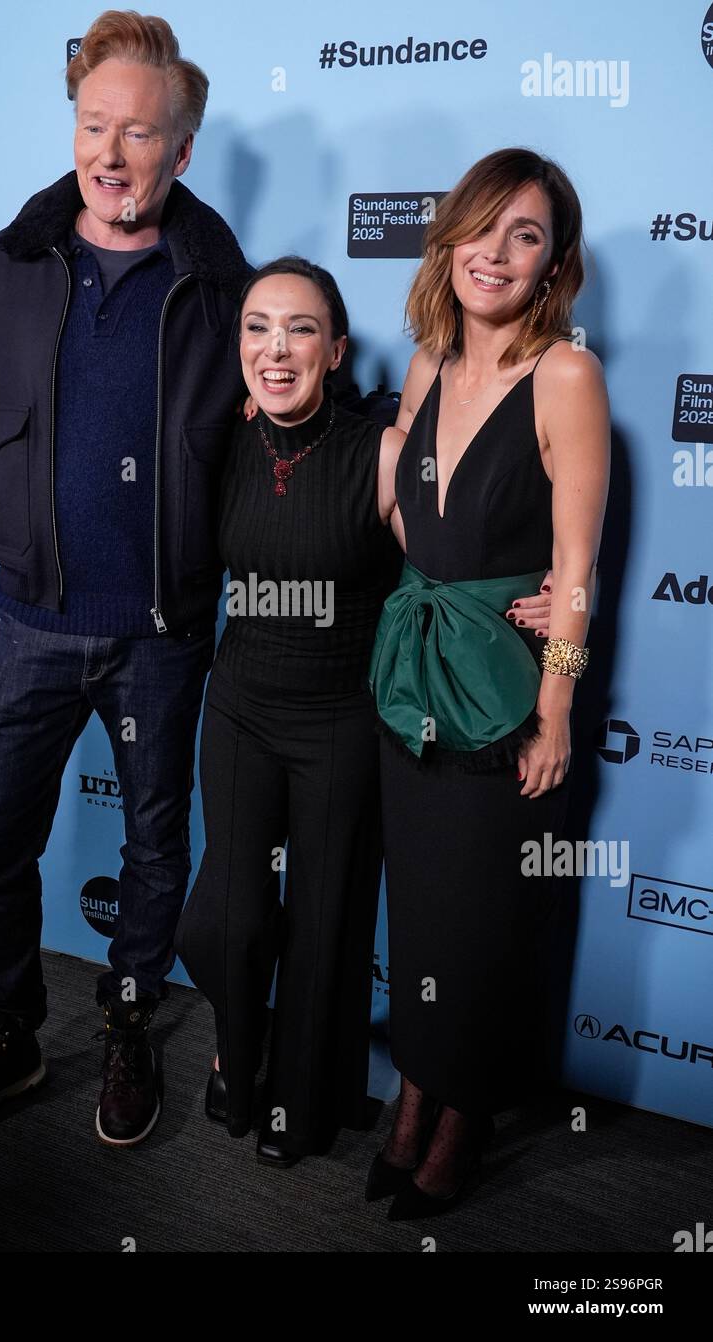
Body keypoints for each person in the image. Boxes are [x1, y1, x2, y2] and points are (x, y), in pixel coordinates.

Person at [0, 10, 250, 1146]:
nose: (110, 151)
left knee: (156, 844)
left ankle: (129, 1027)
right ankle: (6, 1039)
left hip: (160, 630)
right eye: (93, 125)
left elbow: (278, 414)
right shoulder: (7, 265)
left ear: (180, 152)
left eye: (138, 133)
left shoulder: (217, 278)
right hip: (31, 620)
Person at [173, 257, 554, 1165]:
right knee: (223, 918)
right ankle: (238, 1038)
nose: (276, 348)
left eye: (300, 328)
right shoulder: (221, 440)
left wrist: (547, 592)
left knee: (326, 923)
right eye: (258, 327)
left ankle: (303, 1108)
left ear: (335, 349)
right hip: (237, 706)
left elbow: (450, 559)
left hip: (343, 717)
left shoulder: (378, 452)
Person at [366, 147, 610, 1218]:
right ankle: (413, 1095)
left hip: (505, 699)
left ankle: (458, 1116)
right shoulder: (424, 365)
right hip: (410, 679)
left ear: (552, 264)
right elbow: (407, 524)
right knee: (419, 919)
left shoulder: (565, 374)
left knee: (480, 922)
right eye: (483, 227)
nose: (497, 253)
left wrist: (553, 706)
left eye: (527, 236)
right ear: (450, 238)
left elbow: (578, 565)